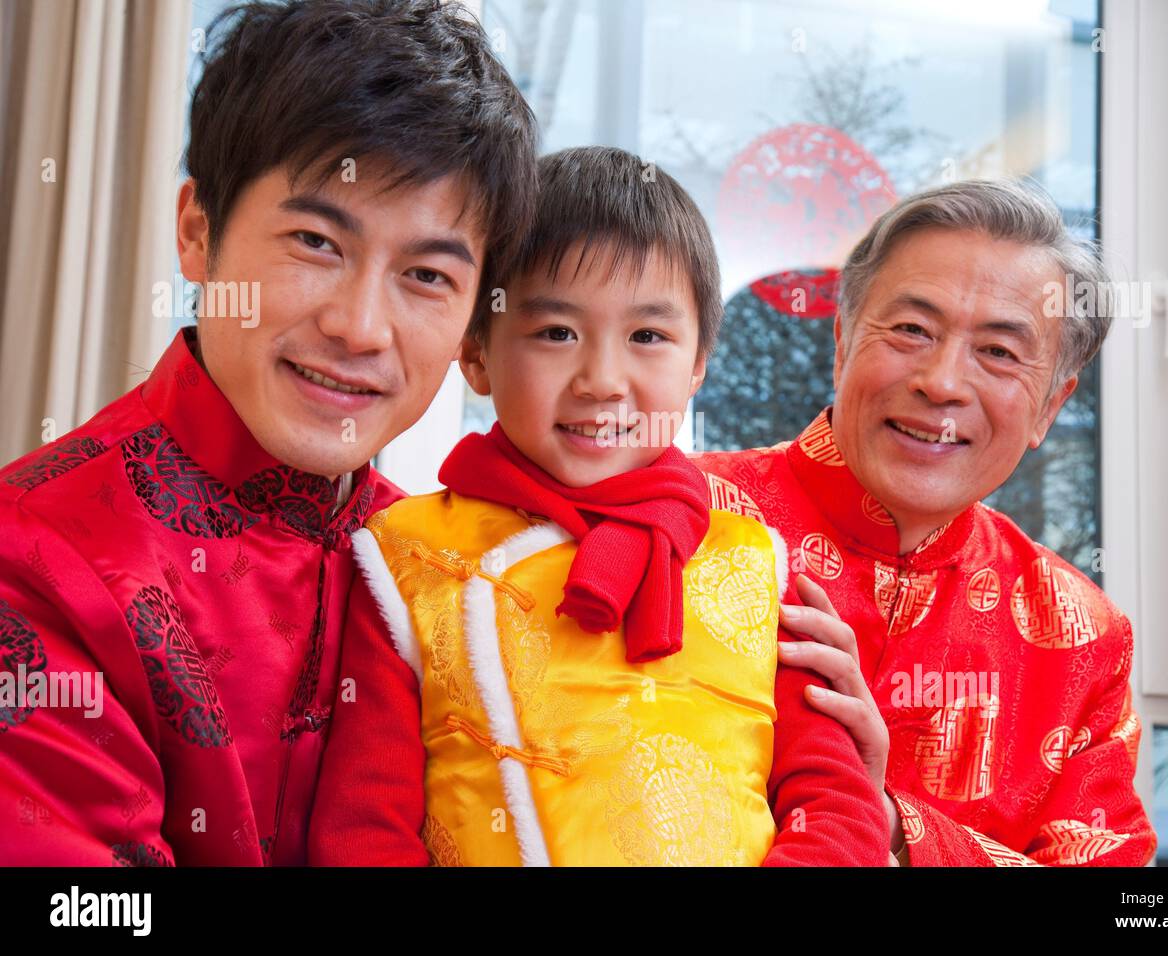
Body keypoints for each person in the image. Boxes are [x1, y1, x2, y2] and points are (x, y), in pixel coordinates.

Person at [0, 0, 537, 865]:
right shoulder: (33, 559)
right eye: (317, 241)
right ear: (198, 234)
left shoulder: (443, 575)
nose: (362, 327)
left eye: (427, 275)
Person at [309, 147, 891, 866]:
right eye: (556, 333)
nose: (603, 380)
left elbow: (835, 803)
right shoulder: (405, 557)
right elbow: (363, 829)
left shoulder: (755, 564)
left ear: (699, 362)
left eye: (648, 336)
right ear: (478, 354)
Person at [695, 179, 1159, 866]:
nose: (942, 382)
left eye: (999, 352)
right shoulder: (682, 515)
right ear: (843, 340)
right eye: (912, 330)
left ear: (1049, 407)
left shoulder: (1082, 635)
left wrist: (892, 826)